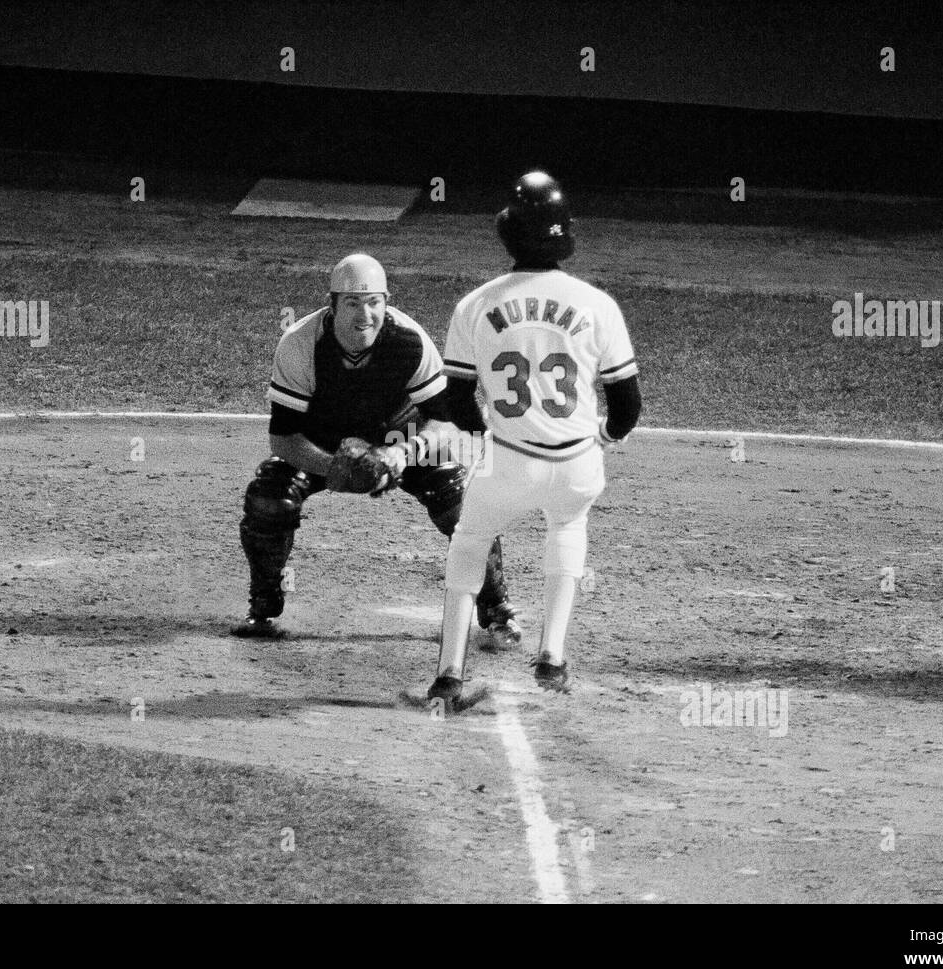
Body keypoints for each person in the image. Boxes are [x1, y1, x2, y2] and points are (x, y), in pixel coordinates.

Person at [427, 172, 642, 708]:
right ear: (565, 233)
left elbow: (456, 399)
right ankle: (552, 655)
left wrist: (487, 438)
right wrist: (603, 437)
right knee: (567, 527)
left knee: (470, 542)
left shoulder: (475, 305)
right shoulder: (597, 304)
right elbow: (627, 406)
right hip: (577, 467)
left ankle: (449, 674)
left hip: (508, 464)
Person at [231, 253, 521, 648]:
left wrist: (401, 454)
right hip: (325, 439)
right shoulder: (300, 345)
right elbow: (283, 438)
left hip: (398, 436)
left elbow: (445, 421)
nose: (364, 314)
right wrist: (333, 466)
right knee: (270, 498)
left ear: (386, 302)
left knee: (459, 500)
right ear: (331, 306)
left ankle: (498, 611)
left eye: (374, 302)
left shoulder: (409, 341)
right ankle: (262, 607)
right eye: (352, 303)